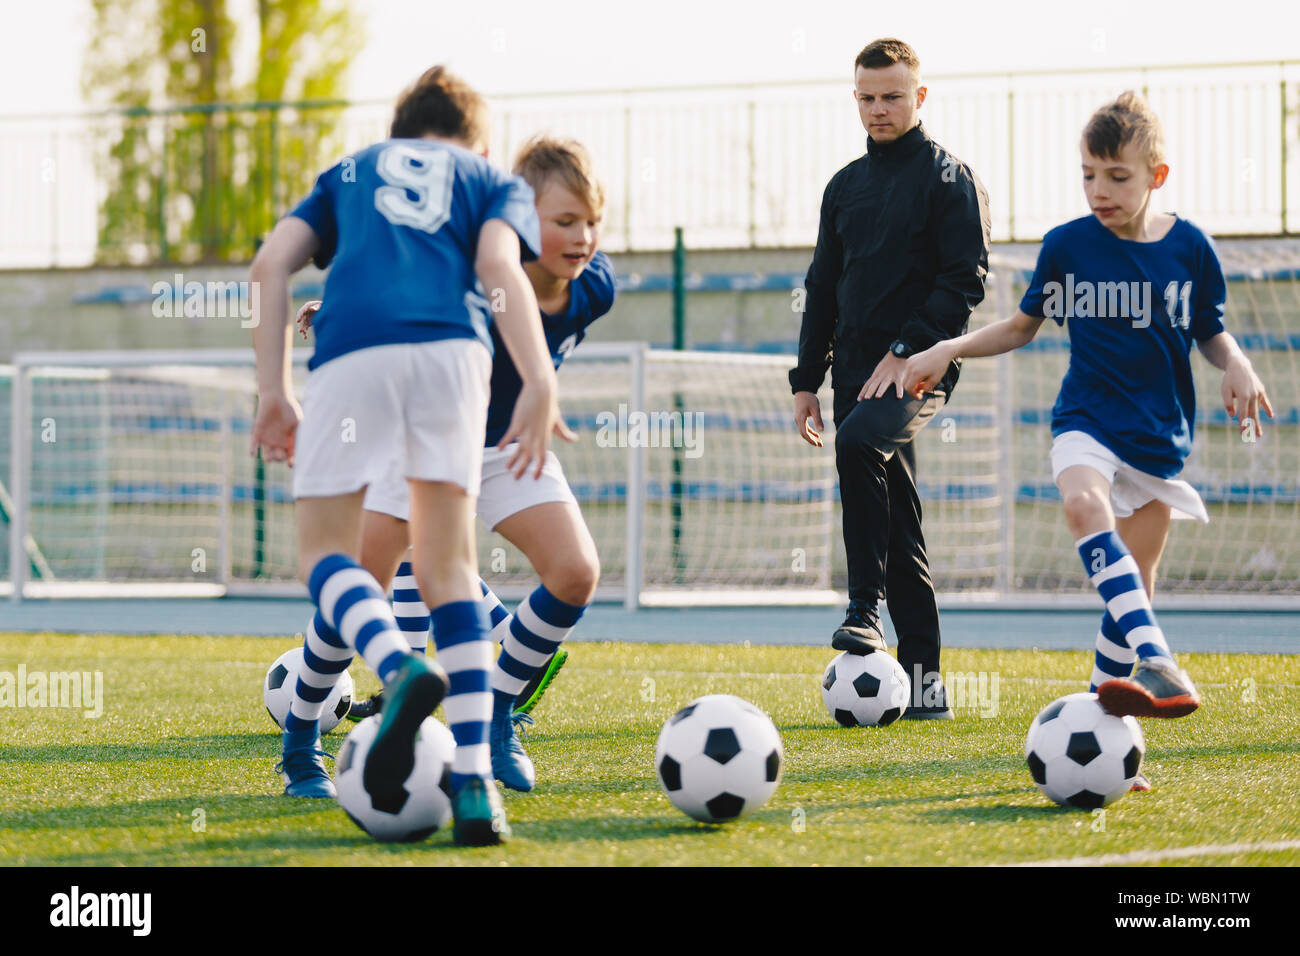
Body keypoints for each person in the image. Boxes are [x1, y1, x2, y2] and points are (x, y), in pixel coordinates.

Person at [903, 91, 1272, 778]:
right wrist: (945, 349)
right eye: (1087, 175)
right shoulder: (1067, 246)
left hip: (1160, 443)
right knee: (1082, 506)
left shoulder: (1191, 248)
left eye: (1117, 177)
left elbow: (1211, 333)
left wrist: (1240, 365)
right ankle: (1160, 658)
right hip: (1087, 423)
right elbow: (1019, 327)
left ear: (1156, 176)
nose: (1099, 190)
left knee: (1128, 596)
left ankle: (1114, 751)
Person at [249, 65, 567, 845]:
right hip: (454, 355)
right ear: (476, 140)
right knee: (449, 570)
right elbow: (498, 271)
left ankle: (396, 669)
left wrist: (274, 392)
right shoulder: (491, 178)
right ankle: (472, 786)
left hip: (353, 349)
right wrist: (539, 380)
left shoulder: (347, 172)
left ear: (399, 130)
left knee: (328, 557)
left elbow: (268, 268)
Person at [294, 136, 614, 794]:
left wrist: (536, 391)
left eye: (592, 221)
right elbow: (395, 290)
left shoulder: (595, 289)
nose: (582, 238)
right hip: (421, 445)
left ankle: (496, 711)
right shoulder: (474, 267)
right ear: (521, 219)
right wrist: (336, 314)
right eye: (564, 222)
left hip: (504, 450)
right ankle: (301, 739)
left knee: (576, 572)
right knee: (357, 590)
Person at [790, 38, 991, 718]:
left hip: (922, 367)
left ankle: (862, 608)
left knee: (857, 446)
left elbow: (965, 280)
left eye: (893, 96)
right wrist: (804, 379)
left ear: (920, 96)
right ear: (857, 98)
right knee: (900, 523)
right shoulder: (844, 186)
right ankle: (927, 687)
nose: (879, 109)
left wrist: (909, 349)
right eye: (868, 98)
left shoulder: (948, 179)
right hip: (852, 372)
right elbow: (821, 287)